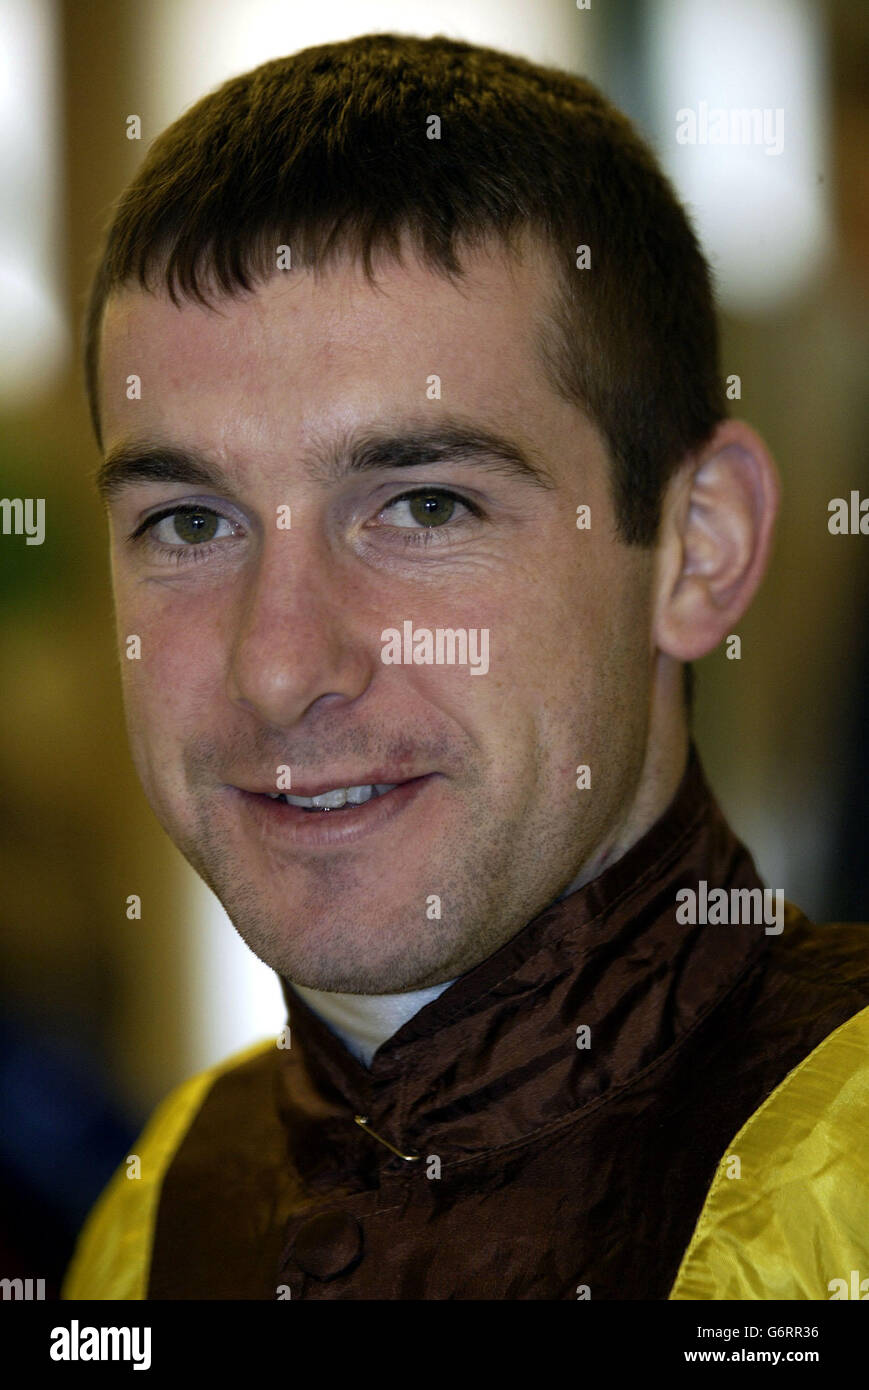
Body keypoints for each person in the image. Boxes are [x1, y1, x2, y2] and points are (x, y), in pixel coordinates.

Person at [62, 32, 868, 1301]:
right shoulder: (164, 1212)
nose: (278, 668)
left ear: (698, 548)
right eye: (191, 523)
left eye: (425, 507)